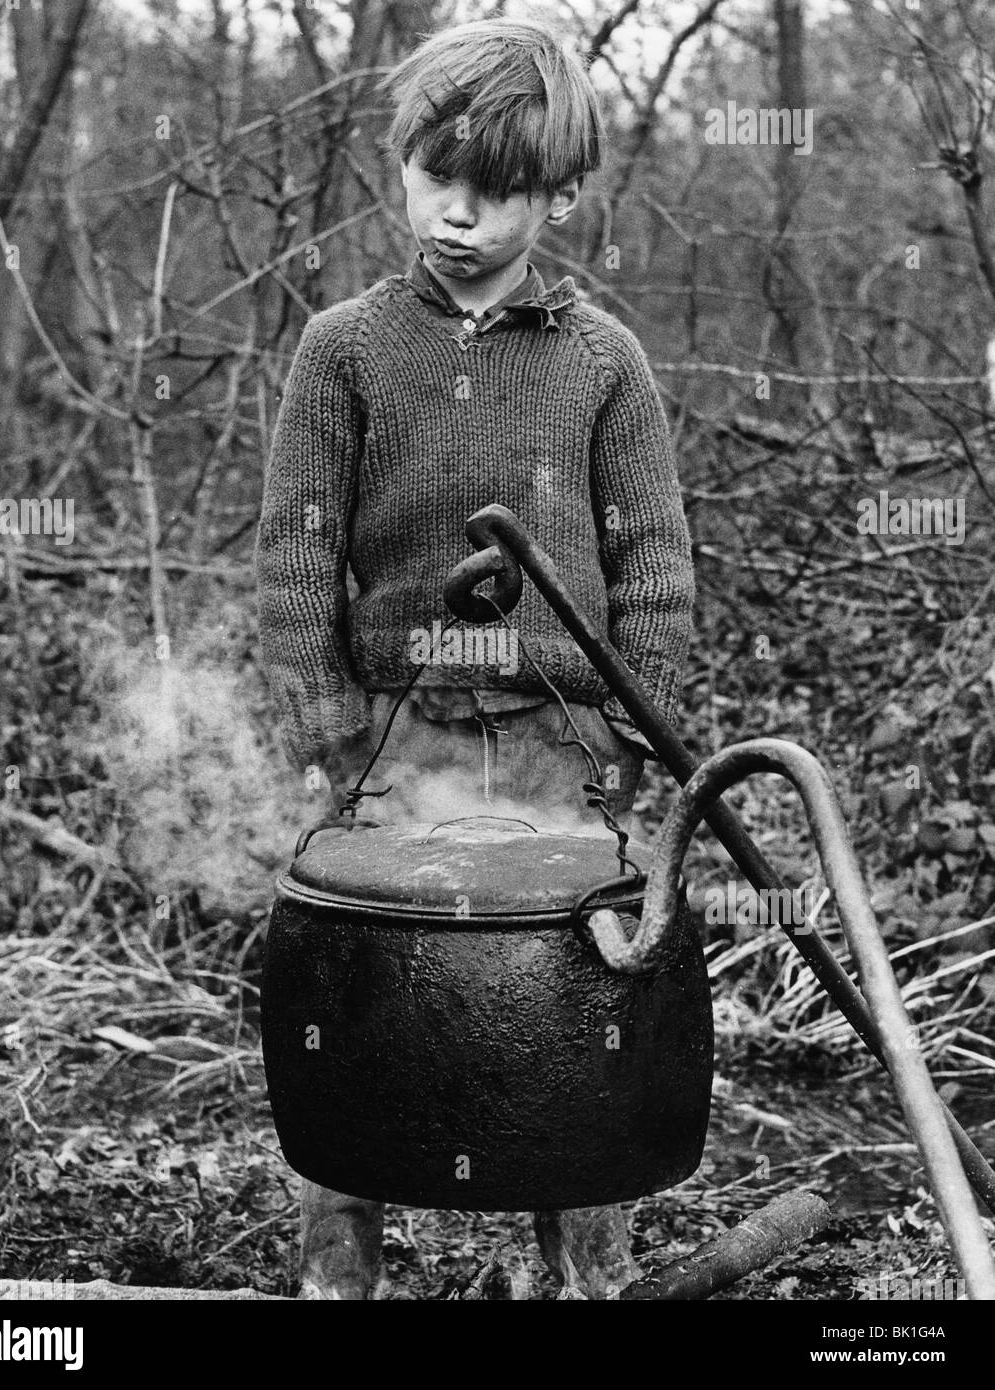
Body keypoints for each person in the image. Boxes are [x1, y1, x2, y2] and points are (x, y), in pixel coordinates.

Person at [256, 17, 695, 1299]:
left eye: (499, 191)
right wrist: (326, 733)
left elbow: (653, 565)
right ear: (399, 166)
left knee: (581, 1013)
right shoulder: (344, 348)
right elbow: (294, 557)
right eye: (437, 176)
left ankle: (586, 1273)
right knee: (357, 997)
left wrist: (635, 731)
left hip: (565, 740)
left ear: (560, 195)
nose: (461, 213)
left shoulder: (601, 362)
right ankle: (342, 1272)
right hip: (398, 738)